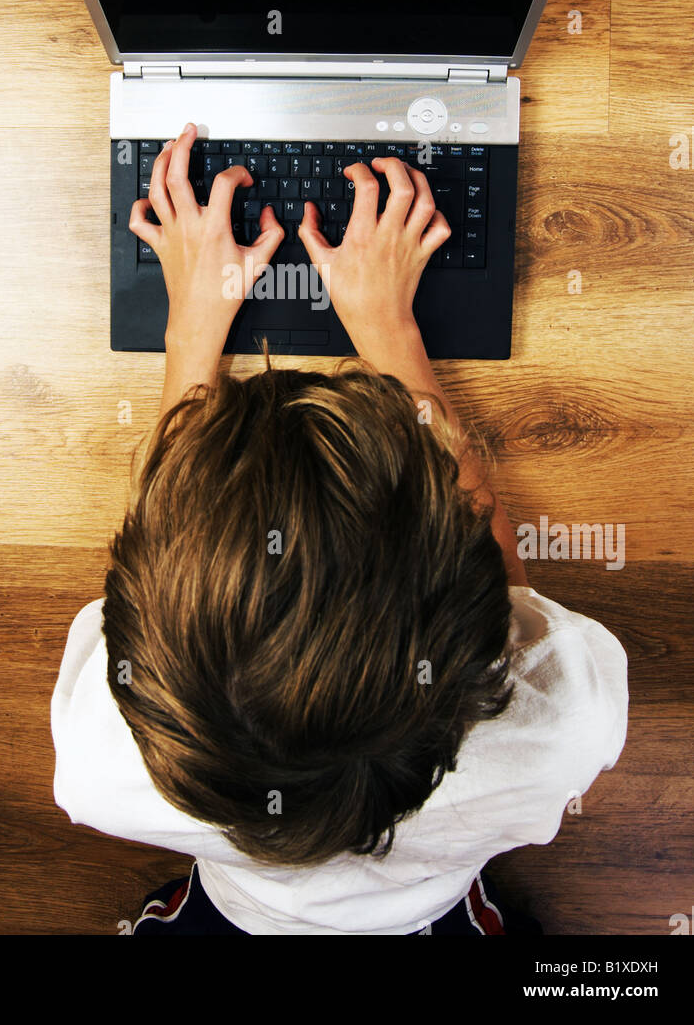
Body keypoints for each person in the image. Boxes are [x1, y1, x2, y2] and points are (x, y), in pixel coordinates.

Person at [50, 123, 628, 935]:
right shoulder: (558, 728)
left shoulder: (96, 763)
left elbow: (163, 549)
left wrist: (190, 332)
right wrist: (390, 330)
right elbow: (506, 583)